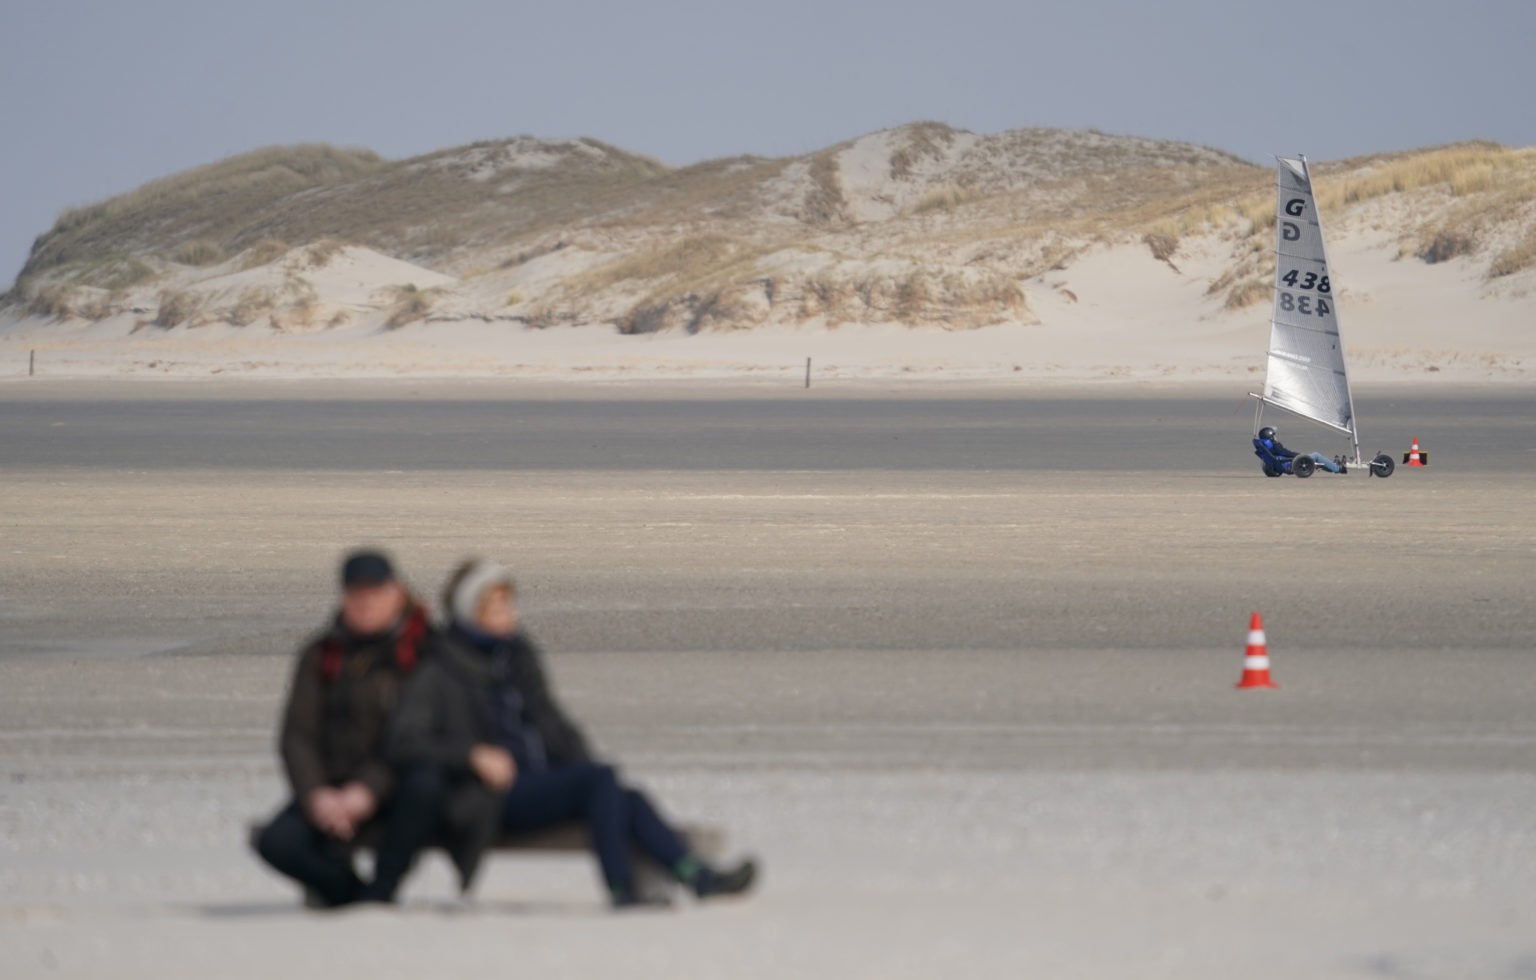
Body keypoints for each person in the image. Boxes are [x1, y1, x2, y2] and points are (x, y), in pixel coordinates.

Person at [387, 558, 758, 908]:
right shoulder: (440, 667)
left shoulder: (515, 658)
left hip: (536, 780)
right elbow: (407, 741)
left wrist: (589, 773)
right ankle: (622, 890)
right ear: (473, 613)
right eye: (498, 607)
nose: (510, 614)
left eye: (509, 605)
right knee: (600, 783)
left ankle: (699, 878)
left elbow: (551, 723)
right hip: (484, 796)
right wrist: (472, 755)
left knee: (624, 796)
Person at [252, 550, 445, 907]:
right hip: (333, 786)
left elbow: (415, 738)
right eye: (356, 593)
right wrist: (316, 795)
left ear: (396, 592)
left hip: (399, 786)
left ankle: (381, 892)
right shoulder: (322, 653)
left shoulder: (424, 650)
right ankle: (353, 896)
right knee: (275, 843)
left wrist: (368, 790)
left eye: (375, 591)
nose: (366, 602)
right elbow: (297, 735)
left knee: (423, 789)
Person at [1254, 425, 1345, 474]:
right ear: (1270, 437)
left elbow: (1281, 453)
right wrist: (1299, 455)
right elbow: (1285, 452)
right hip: (1290, 464)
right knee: (1316, 455)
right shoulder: (1275, 446)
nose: (1275, 436)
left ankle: (1333, 466)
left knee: (1317, 462)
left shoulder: (1265, 446)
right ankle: (1338, 468)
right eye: (1274, 435)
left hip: (1280, 466)